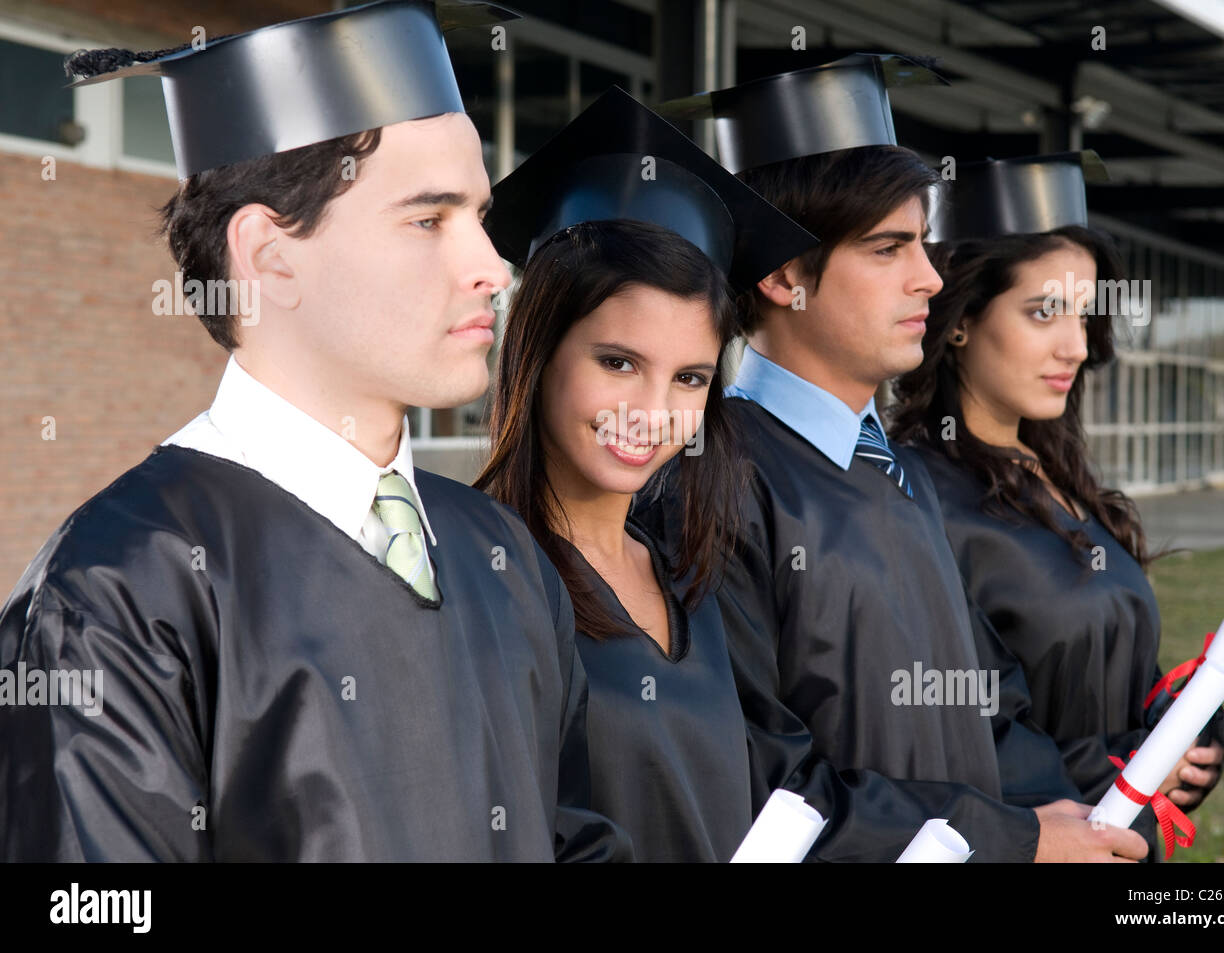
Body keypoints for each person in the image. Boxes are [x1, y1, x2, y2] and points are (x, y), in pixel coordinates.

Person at [0, 0, 627, 862]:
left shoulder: (501, 551)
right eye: (428, 219)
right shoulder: (117, 589)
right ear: (269, 257)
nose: (491, 266)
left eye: (479, 218)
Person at [653, 53, 1148, 861]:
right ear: (785, 274)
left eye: (923, 243)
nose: (927, 278)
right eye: (889, 249)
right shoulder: (708, 482)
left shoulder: (901, 473)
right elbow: (763, 785)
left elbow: (991, 705)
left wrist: (1085, 816)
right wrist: (1011, 837)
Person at [476, 88, 818, 861]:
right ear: (538, 349)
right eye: (618, 362)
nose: (652, 411)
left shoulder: (685, 577)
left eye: (690, 378)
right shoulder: (479, 574)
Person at [890, 152, 1224, 859]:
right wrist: (1132, 770)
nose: (1074, 346)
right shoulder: (915, 497)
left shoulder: (1060, 477)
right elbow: (955, 730)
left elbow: (1113, 666)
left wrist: (1186, 726)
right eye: (1043, 312)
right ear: (960, 320)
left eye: (1082, 314)